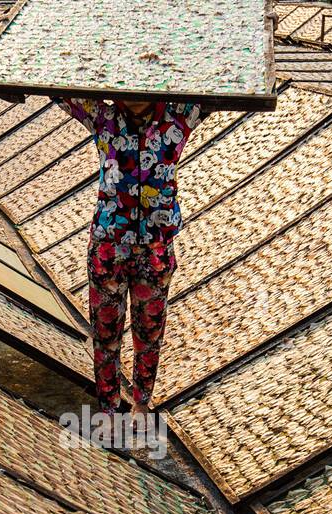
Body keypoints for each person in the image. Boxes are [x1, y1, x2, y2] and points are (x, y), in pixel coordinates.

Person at [53, 97, 208, 430]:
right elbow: (63, 92)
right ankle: (109, 407)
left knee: (149, 332)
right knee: (105, 332)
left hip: (154, 246)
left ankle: (141, 403)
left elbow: (221, 93)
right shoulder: (103, 118)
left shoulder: (178, 119)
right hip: (110, 245)